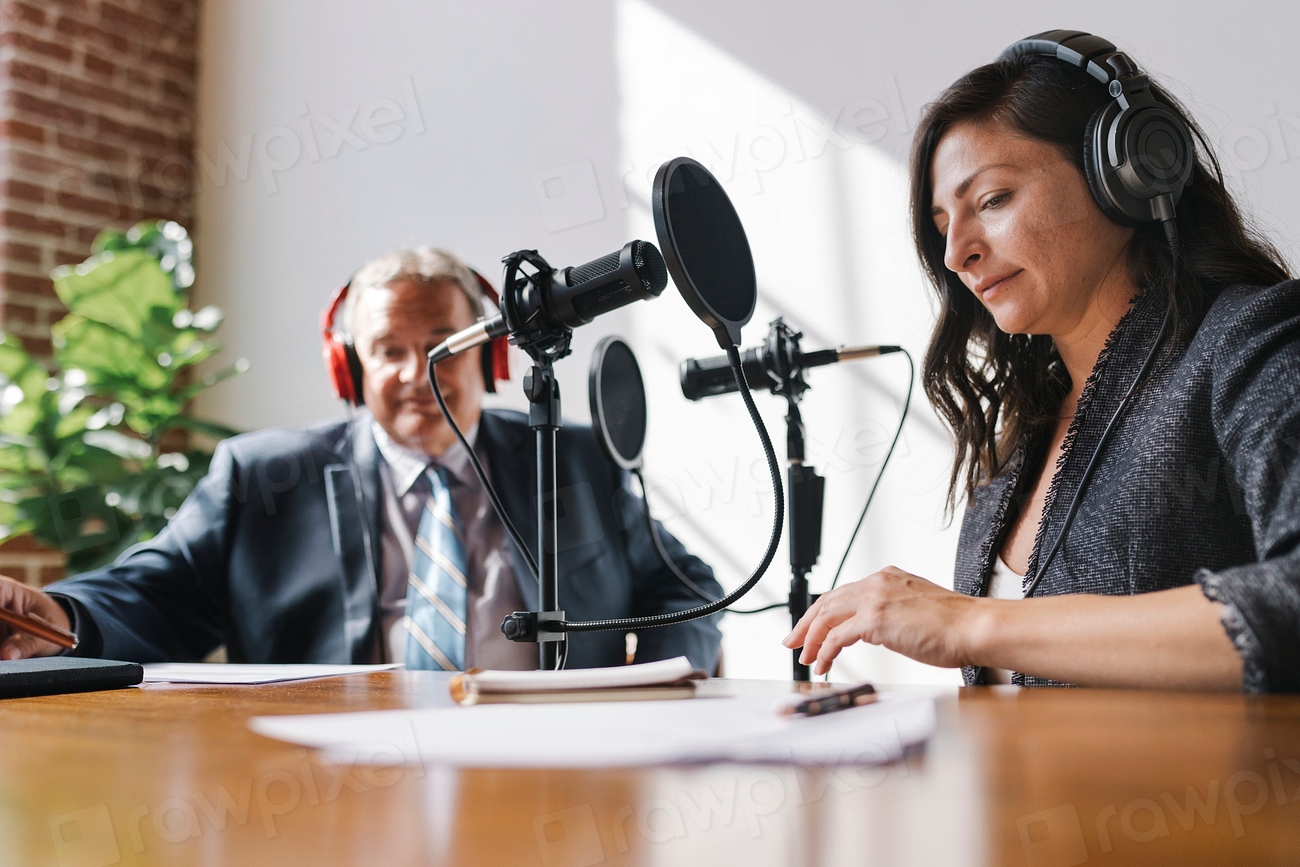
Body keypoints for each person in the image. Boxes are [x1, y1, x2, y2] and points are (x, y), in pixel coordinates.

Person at [786, 31, 1298, 691]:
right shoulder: (1020, 435)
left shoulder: (1249, 341)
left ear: (1125, 177)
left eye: (992, 200)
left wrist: (971, 622)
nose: (956, 254)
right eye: (943, 227)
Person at [0, 248, 723, 671]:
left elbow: (686, 585)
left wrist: (655, 677)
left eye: (442, 344)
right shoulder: (262, 479)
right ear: (351, 369)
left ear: (491, 355)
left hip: (553, 768)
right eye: (388, 350)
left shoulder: (574, 457)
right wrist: (60, 613)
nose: (417, 372)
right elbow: (158, 591)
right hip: (336, 779)